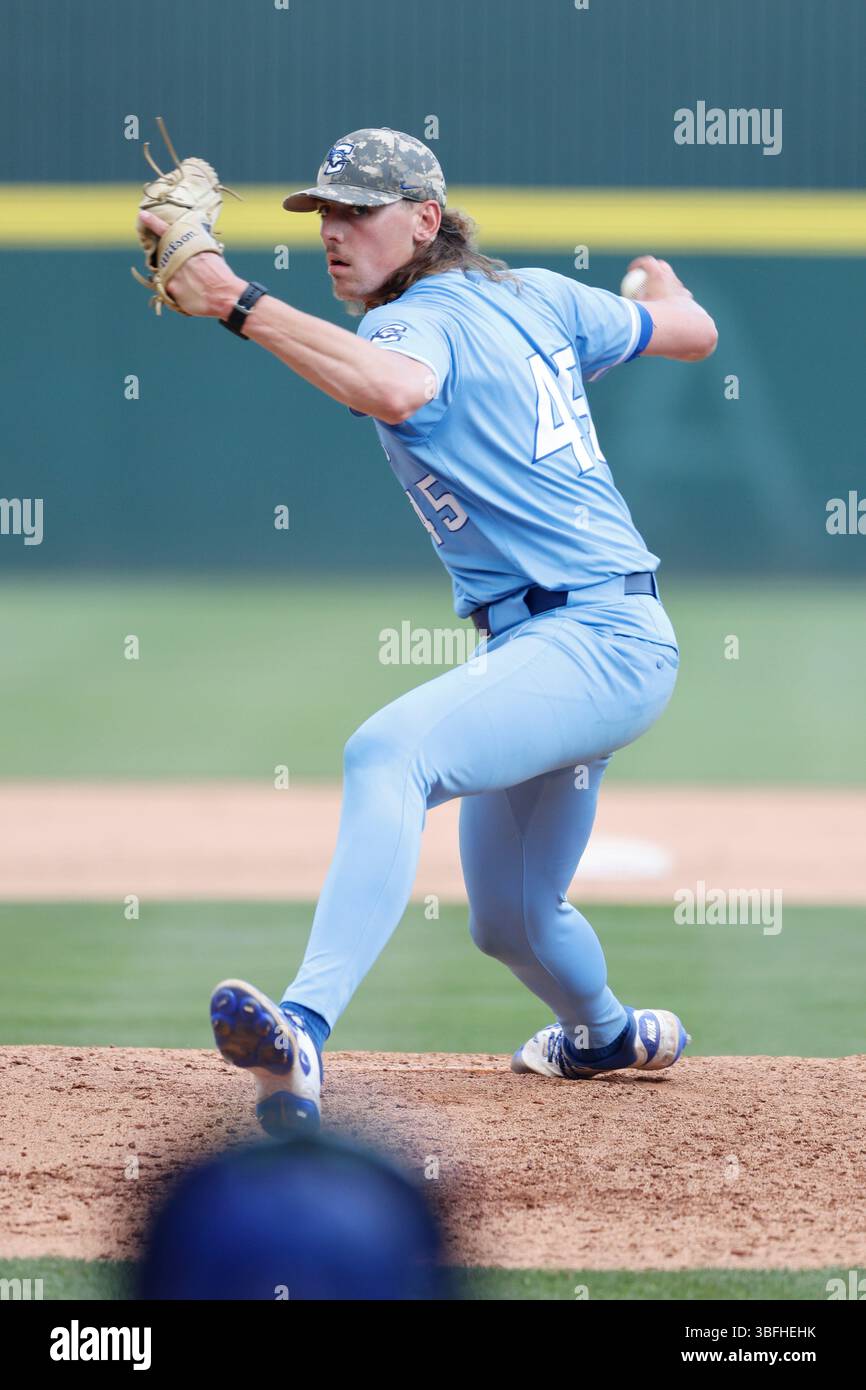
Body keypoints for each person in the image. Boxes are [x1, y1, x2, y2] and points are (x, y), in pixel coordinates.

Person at [140, 128, 717, 1133]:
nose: (334, 232)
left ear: (424, 220)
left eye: (359, 211)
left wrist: (234, 299)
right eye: (324, 212)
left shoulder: (412, 324)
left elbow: (395, 387)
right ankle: (606, 1033)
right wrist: (653, 292)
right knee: (512, 920)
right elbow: (692, 330)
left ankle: (304, 1032)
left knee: (386, 754)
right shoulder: (538, 293)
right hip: (584, 640)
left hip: (591, 640)